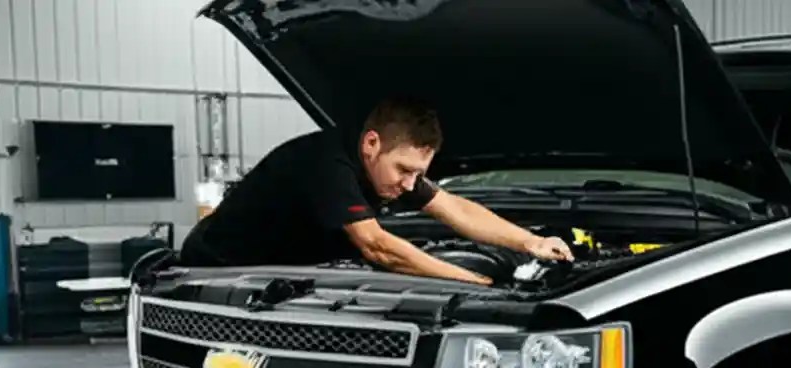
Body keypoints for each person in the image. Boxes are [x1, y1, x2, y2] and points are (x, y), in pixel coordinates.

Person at [178, 97, 574, 285]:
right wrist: (475, 282)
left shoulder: (388, 168)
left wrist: (531, 242)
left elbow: (456, 208)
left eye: (418, 174)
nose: (409, 184)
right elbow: (378, 248)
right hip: (214, 271)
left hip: (277, 270)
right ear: (371, 144)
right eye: (404, 170)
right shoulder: (325, 164)